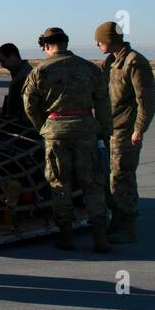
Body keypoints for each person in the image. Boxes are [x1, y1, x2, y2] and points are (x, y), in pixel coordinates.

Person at [22, 27, 110, 253]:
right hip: (86, 129)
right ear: (66, 42)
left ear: (45, 45)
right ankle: (100, 237)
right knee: (93, 184)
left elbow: (29, 106)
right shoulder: (90, 68)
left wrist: (44, 127)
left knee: (60, 184)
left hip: (56, 131)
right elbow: (102, 103)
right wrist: (103, 131)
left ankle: (67, 236)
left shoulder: (40, 71)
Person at [95, 21, 155, 244]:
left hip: (126, 130)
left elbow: (146, 99)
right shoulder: (111, 63)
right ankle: (117, 223)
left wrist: (139, 129)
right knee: (111, 177)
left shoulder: (134, 62)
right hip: (111, 129)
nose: (97, 44)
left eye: (100, 40)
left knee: (122, 177)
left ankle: (126, 227)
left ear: (109, 40)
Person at [0, 42, 32, 125]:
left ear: (13, 56)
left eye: (3, 61)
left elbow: (13, 112)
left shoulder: (20, 78)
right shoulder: (25, 72)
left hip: (20, 124)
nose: (2, 65)